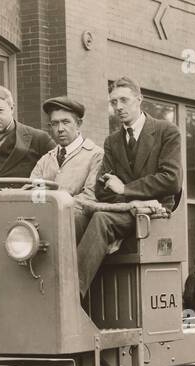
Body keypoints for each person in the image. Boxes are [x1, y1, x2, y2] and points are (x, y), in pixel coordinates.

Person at [75, 76, 182, 297]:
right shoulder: (112, 141)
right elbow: (102, 190)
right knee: (74, 218)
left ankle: (72, 296)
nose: (118, 107)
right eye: (114, 102)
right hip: (124, 209)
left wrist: (125, 189)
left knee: (101, 219)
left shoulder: (166, 132)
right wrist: (127, 198)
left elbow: (171, 180)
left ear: (139, 99)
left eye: (124, 100)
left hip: (155, 211)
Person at [29, 96, 103, 198]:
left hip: (75, 213)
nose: (60, 129)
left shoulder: (96, 155)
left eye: (65, 122)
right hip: (45, 212)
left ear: (78, 124)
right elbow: (33, 195)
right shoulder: (45, 160)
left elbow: (89, 197)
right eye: (55, 123)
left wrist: (57, 208)